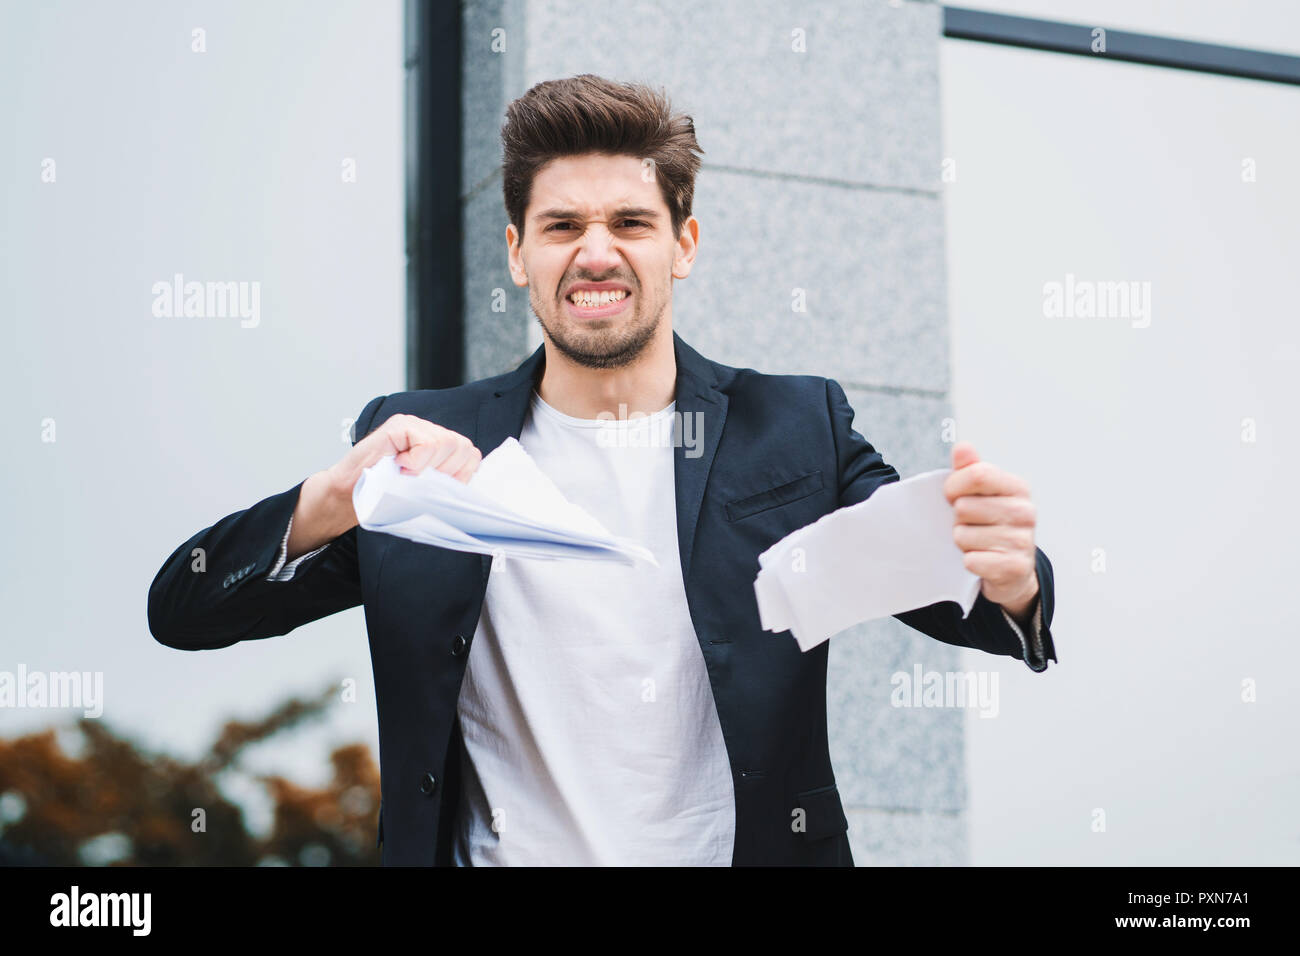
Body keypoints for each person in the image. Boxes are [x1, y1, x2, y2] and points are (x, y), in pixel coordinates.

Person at [149, 74, 1056, 867]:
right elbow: (184, 611)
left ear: (683, 245)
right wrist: (333, 499)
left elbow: (944, 581)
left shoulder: (795, 428)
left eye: (630, 222)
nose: (595, 252)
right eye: (562, 226)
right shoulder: (422, 447)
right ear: (517, 253)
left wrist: (1008, 578)